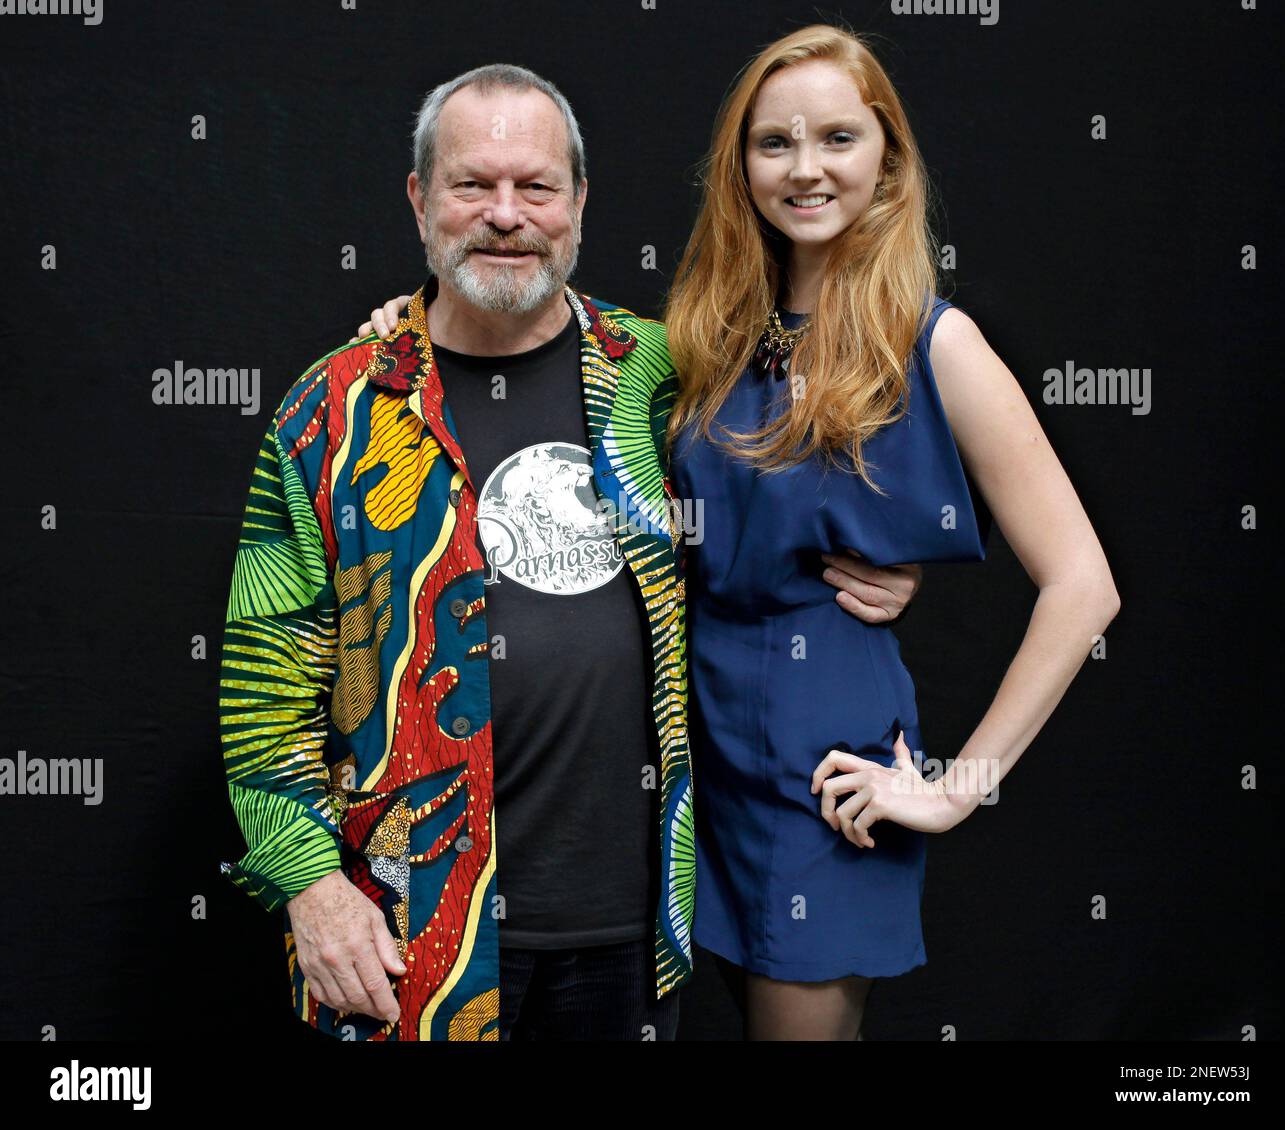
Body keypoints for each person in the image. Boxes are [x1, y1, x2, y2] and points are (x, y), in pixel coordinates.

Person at [366, 25, 1120, 1041]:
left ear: (887, 156)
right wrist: (406, 322)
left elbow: (1082, 583)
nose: (805, 168)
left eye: (839, 138)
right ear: (741, 162)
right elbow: (534, 338)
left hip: (814, 767)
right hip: (682, 756)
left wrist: (956, 786)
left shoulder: (934, 342)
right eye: (775, 142)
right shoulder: (706, 337)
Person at [221, 61, 919, 1043]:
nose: (505, 214)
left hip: (638, 938)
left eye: (535, 186)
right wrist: (311, 891)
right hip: (410, 938)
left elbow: (839, 410)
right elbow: (261, 706)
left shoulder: (670, 373)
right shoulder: (329, 416)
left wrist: (892, 550)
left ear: (578, 204)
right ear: (422, 200)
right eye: (473, 184)